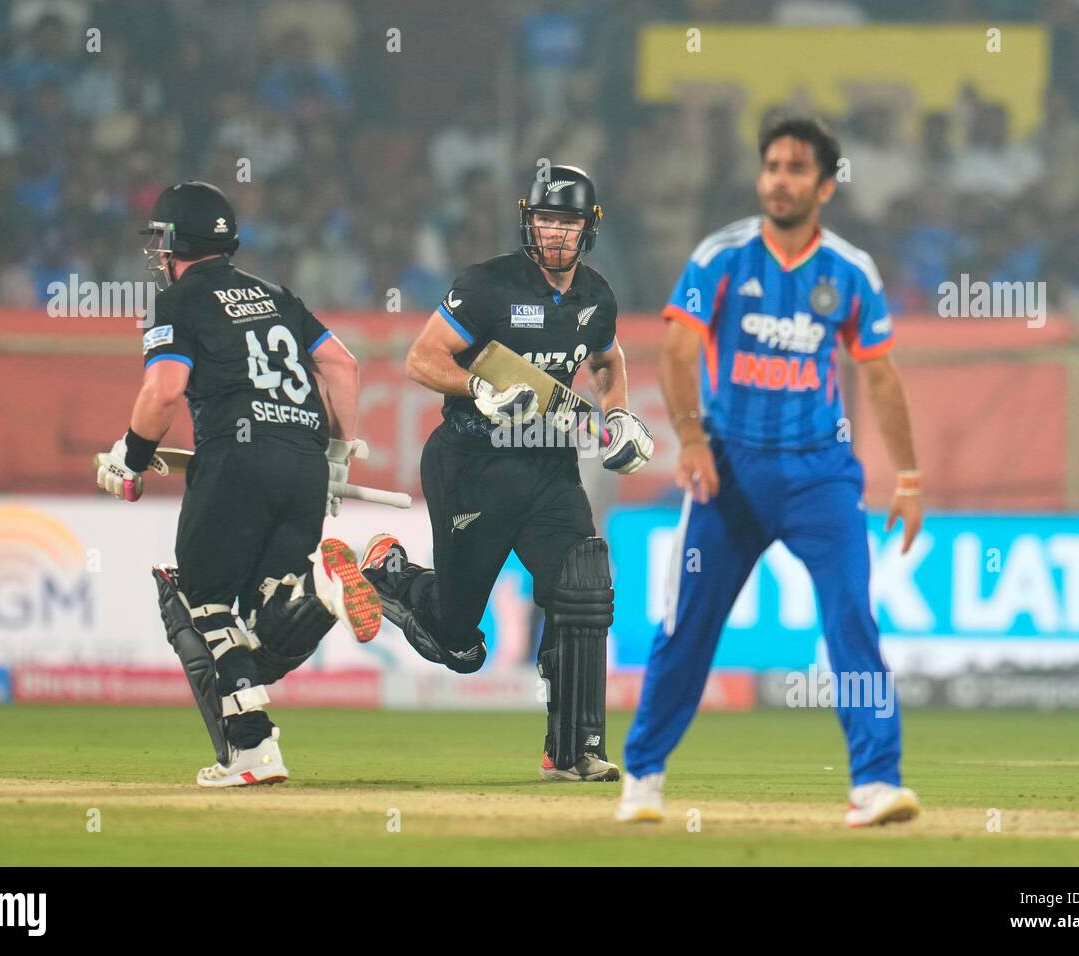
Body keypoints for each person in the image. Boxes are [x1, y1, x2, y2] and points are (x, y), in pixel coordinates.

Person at [616, 119, 924, 827]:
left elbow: (879, 378)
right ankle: (644, 776)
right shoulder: (722, 256)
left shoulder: (850, 271)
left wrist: (907, 478)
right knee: (688, 627)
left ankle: (875, 784)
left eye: (794, 169)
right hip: (730, 471)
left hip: (822, 477)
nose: (779, 179)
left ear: (824, 186)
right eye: (771, 166)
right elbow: (675, 353)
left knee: (852, 617)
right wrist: (690, 443)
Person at [360, 165, 653, 781]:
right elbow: (421, 358)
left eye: (567, 223)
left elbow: (606, 357)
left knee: (584, 592)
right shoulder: (487, 286)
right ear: (529, 221)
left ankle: (572, 750)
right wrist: (478, 387)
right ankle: (391, 573)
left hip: (548, 466)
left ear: (588, 230)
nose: (554, 234)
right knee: (458, 644)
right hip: (472, 464)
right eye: (545, 219)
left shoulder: (596, 296)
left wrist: (619, 413)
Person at [92, 181, 381, 787]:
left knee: (203, 603)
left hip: (237, 456)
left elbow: (164, 390)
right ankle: (317, 592)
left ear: (175, 242)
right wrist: (336, 455)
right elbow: (342, 367)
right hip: (303, 460)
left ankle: (253, 751)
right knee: (267, 614)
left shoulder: (179, 302)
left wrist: (132, 458)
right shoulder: (275, 294)